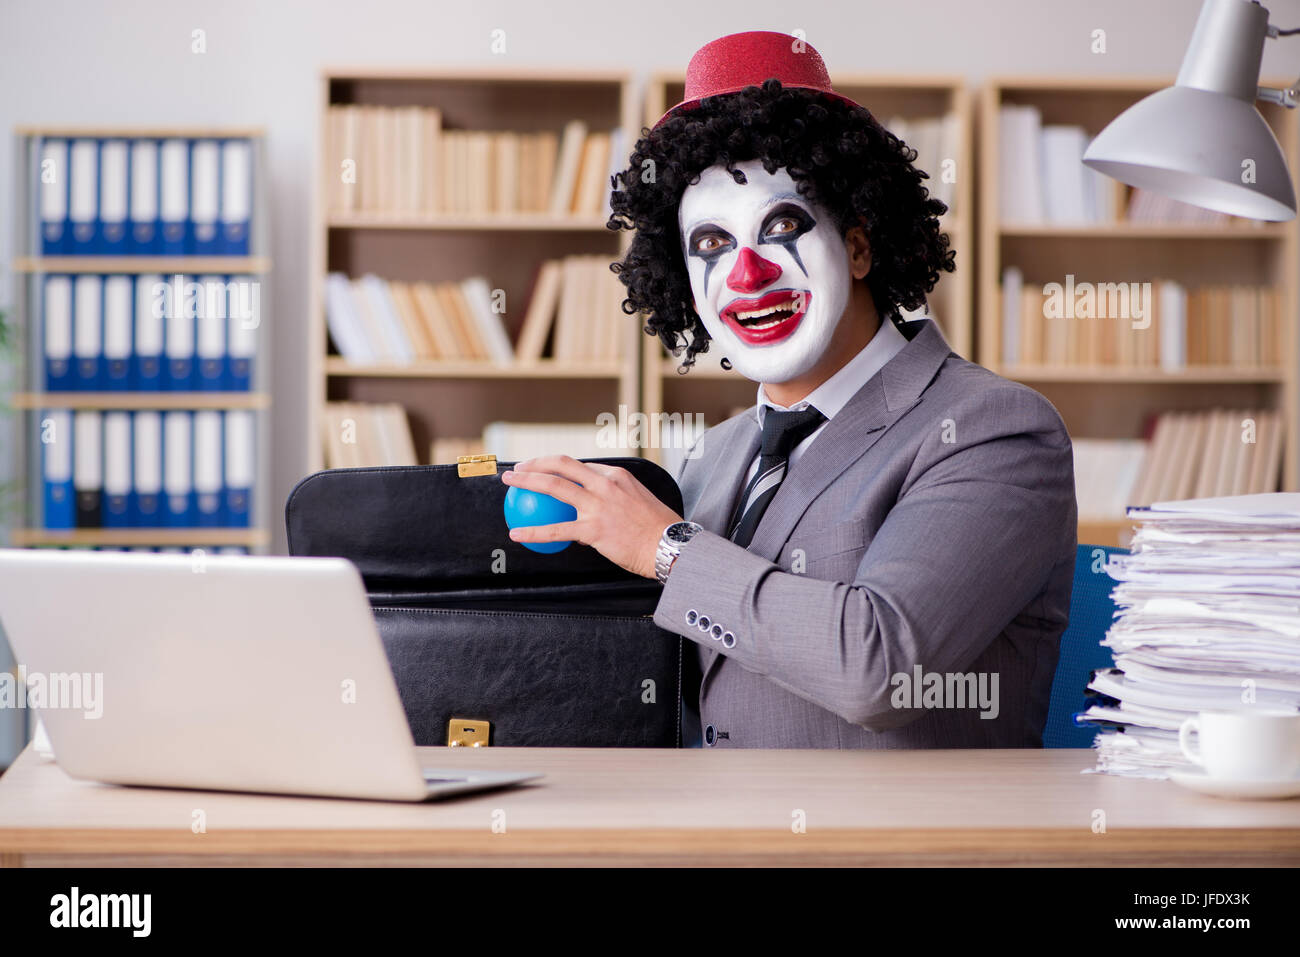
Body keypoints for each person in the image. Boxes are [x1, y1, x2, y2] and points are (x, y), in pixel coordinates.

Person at [501, 31, 1077, 749]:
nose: (746, 274)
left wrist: (665, 546)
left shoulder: (995, 428)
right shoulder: (714, 455)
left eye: (780, 226)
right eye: (711, 245)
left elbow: (884, 667)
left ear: (860, 246)